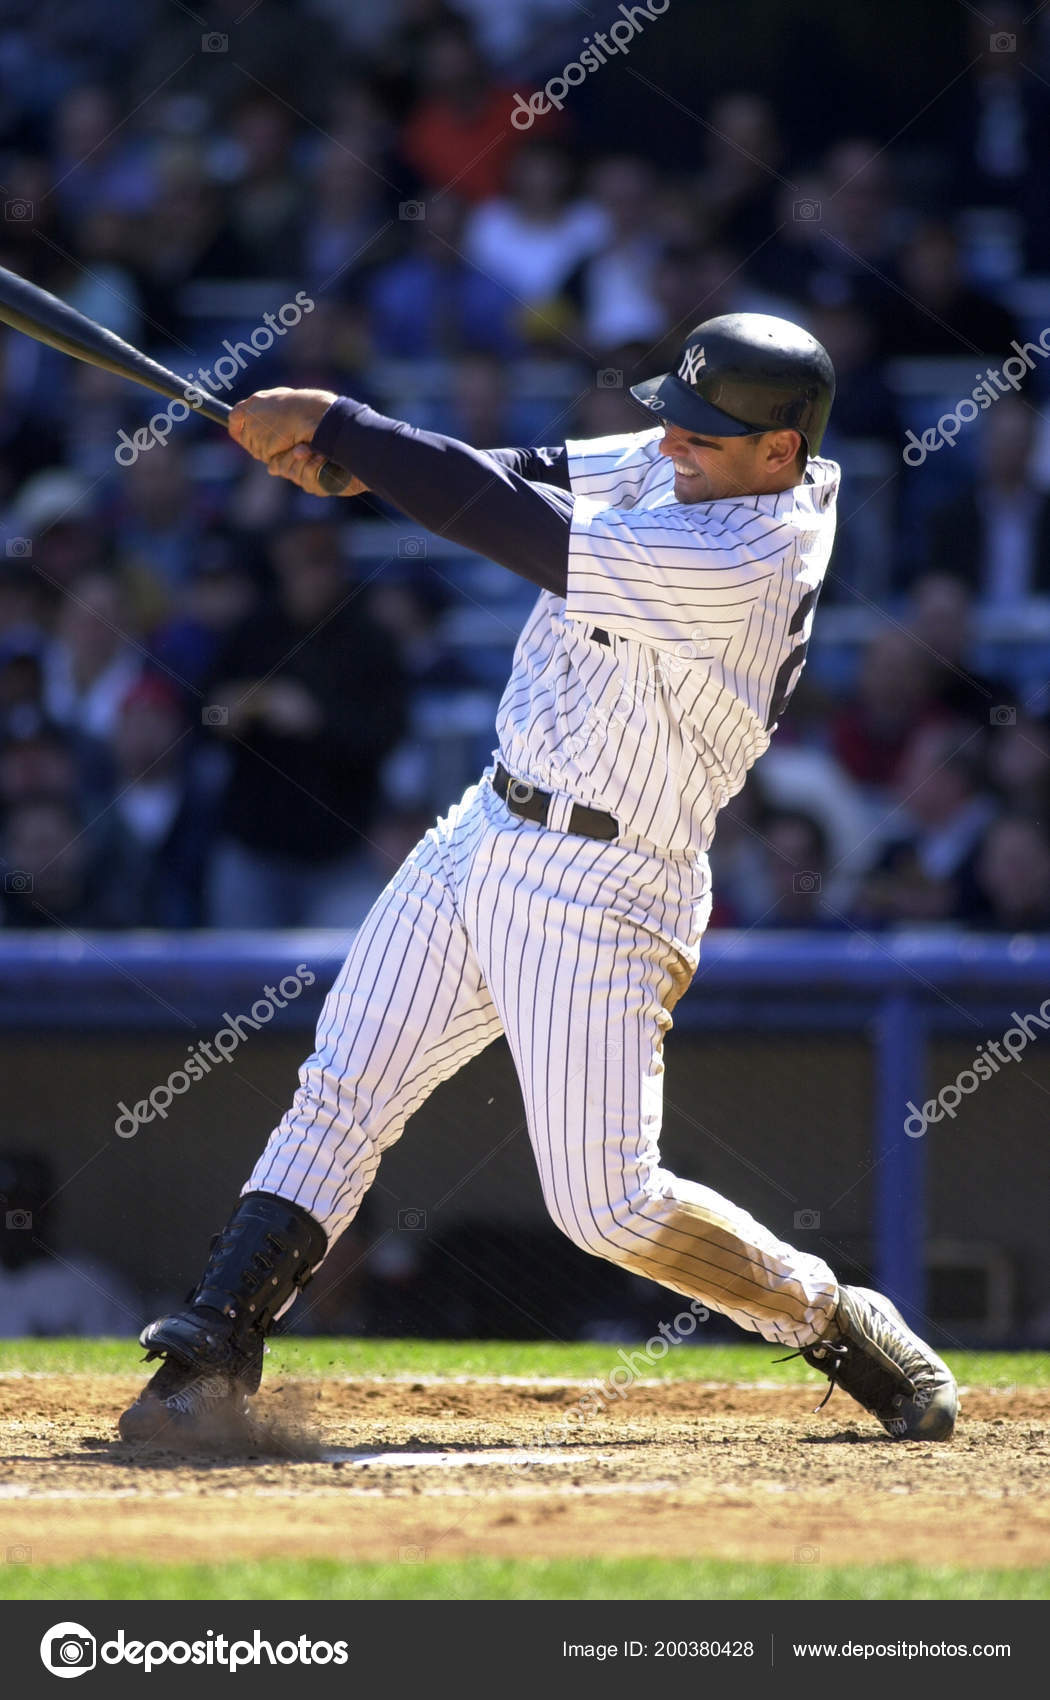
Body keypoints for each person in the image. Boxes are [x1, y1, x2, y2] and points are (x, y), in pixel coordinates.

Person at [118, 312, 957, 1447]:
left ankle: (829, 1313)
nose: (672, 444)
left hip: (608, 881)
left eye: (706, 436)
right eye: (677, 417)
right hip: (488, 818)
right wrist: (355, 468)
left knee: (607, 1205)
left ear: (781, 455)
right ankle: (210, 1347)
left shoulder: (752, 553)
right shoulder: (694, 458)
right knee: (345, 1083)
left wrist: (343, 423)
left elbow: (521, 531)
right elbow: (527, 472)